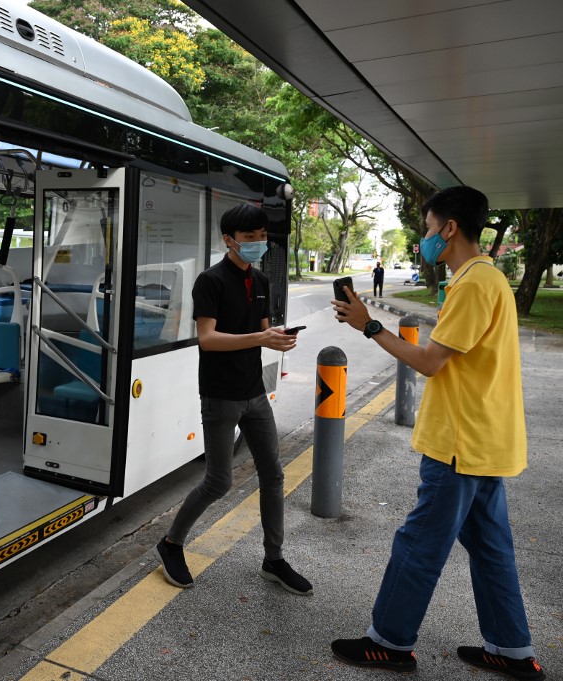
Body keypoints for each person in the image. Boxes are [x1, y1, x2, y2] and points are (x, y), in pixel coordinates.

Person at [330, 186, 545, 680]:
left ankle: (390, 642)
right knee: (491, 549)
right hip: (485, 439)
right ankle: (512, 651)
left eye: (427, 230)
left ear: (449, 228)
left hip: (460, 443)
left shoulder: (473, 283)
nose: (424, 239)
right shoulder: (486, 278)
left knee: (420, 542)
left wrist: (369, 326)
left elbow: (430, 362)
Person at [155, 203, 312, 596]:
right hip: (221, 395)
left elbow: (260, 329)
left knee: (273, 475)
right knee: (218, 481)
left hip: (254, 392)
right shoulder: (210, 281)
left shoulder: (260, 279)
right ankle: (171, 543)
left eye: (262, 236)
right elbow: (207, 339)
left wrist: (277, 335)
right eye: (250, 237)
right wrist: (261, 338)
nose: (259, 242)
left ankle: (273, 559)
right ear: (229, 240)